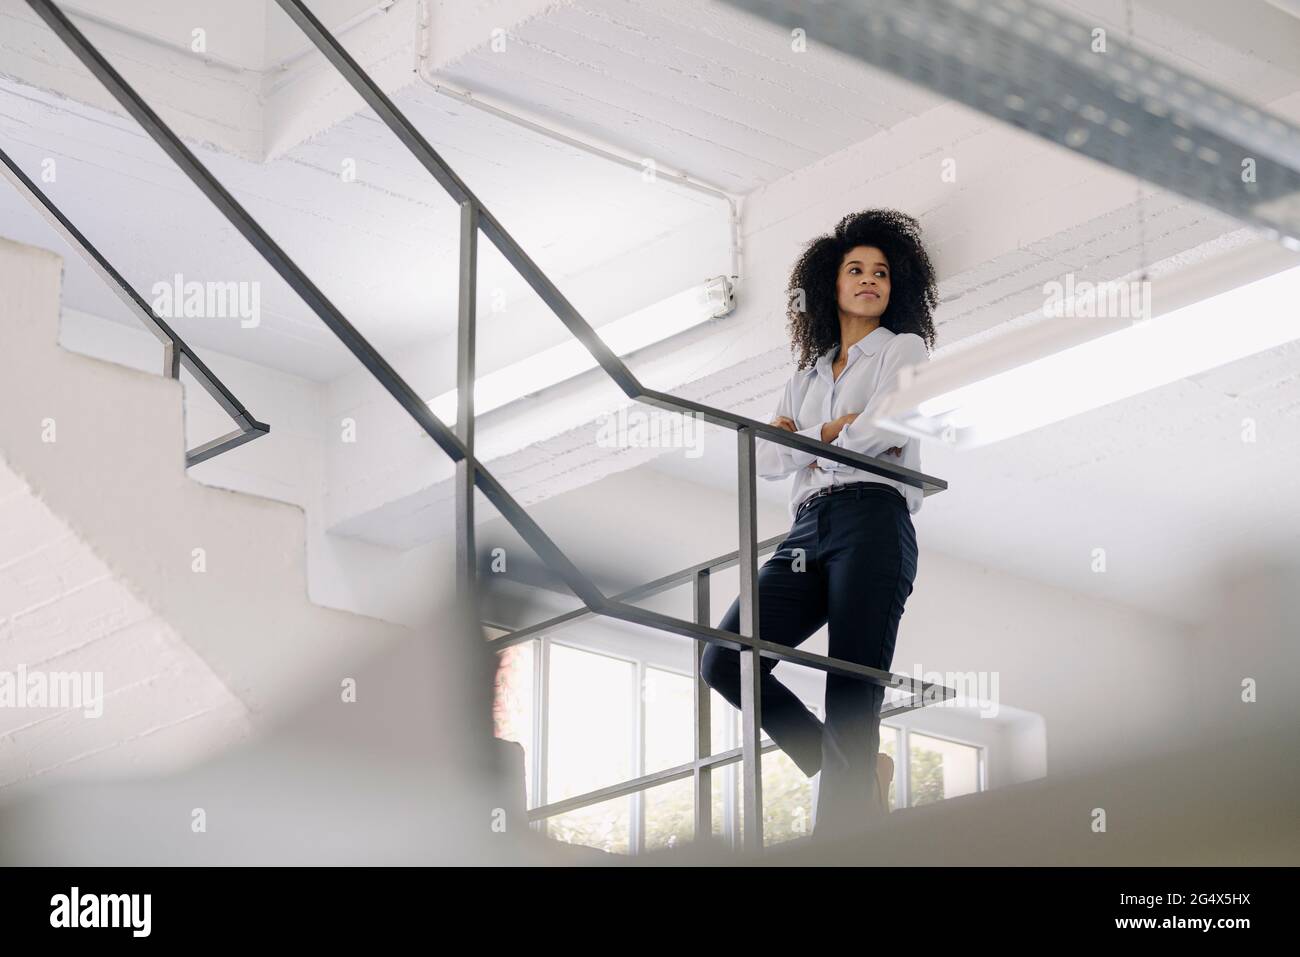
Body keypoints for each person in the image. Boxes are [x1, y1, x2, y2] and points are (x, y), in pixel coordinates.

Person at [702, 209, 938, 840]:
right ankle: (854, 775)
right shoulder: (804, 374)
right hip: (807, 529)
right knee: (726, 660)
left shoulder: (903, 350)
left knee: (850, 685)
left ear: (897, 286)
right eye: (855, 270)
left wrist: (812, 437)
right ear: (829, 285)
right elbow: (769, 462)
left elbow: (883, 432)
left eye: (882, 272)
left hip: (873, 519)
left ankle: (839, 839)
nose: (869, 280)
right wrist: (830, 432)